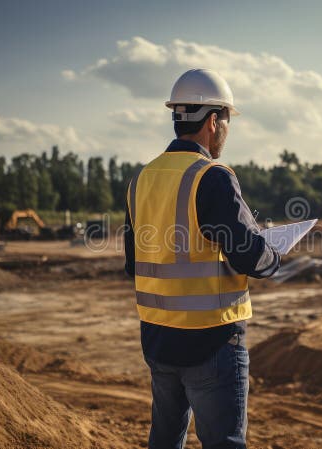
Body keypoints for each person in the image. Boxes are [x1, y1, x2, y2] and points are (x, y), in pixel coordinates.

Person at [124, 68, 280, 449]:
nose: (227, 129)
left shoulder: (142, 179)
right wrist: (272, 254)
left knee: (164, 442)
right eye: (227, 120)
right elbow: (247, 254)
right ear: (213, 121)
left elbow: (134, 264)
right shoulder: (211, 176)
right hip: (211, 342)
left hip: (158, 340)